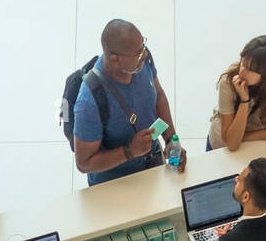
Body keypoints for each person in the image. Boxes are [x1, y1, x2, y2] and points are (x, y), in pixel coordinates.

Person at [73, 19, 186, 186]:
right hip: (115, 184)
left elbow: (159, 96)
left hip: (151, 164)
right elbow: (84, 163)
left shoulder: (143, 61)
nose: (145, 55)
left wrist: (170, 140)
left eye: (143, 47)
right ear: (114, 59)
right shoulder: (89, 102)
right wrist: (130, 151)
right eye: (138, 53)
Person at [208, 36, 266, 152]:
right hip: (222, 147)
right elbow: (232, 144)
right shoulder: (228, 81)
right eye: (243, 62)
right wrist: (244, 101)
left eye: (250, 70)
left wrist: (246, 136)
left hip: (254, 144)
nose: (242, 71)